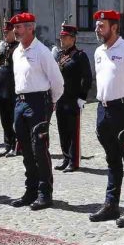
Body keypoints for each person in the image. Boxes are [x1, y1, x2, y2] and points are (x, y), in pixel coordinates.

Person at [91, 10, 124, 228]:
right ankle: (111, 204)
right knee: (112, 160)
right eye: (97, 24)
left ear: (114, 27)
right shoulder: (98, 51)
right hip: (103, 111)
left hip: (122, 110)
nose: (97, 28)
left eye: (102, 25)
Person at [9, 13, 63, 210]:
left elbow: (57, 81)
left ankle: (44, 192)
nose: (15, 30)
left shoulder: (42, 51)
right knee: (24, 149)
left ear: (31, 28)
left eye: (20, 27)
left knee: (39, 148)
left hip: (39, 101)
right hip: (20, 101)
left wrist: (52, 102)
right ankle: (30, 189)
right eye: (14, 27)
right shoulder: (17, 52)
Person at [53, 22, 92, 172]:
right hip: (61, 98)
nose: (61, 40)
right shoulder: (60, 55)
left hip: (73, 98)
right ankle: (65, 157)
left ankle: (74, 160)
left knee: (72, 131)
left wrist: (82, 96)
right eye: (61, 37)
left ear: (72, 39)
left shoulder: (80, 56)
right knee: (62, 129)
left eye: (64, 37)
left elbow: (87, 78)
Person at [0, 19, 18, 156]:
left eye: (7, 33)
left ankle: (16, 145)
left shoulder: (18, 47)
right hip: (2, 87)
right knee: (4, 118)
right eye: (4, 33)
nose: (5, 35)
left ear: (14, 33)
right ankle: (7, 143)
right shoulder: (3, 46)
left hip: (12, 87)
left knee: (13, 117)